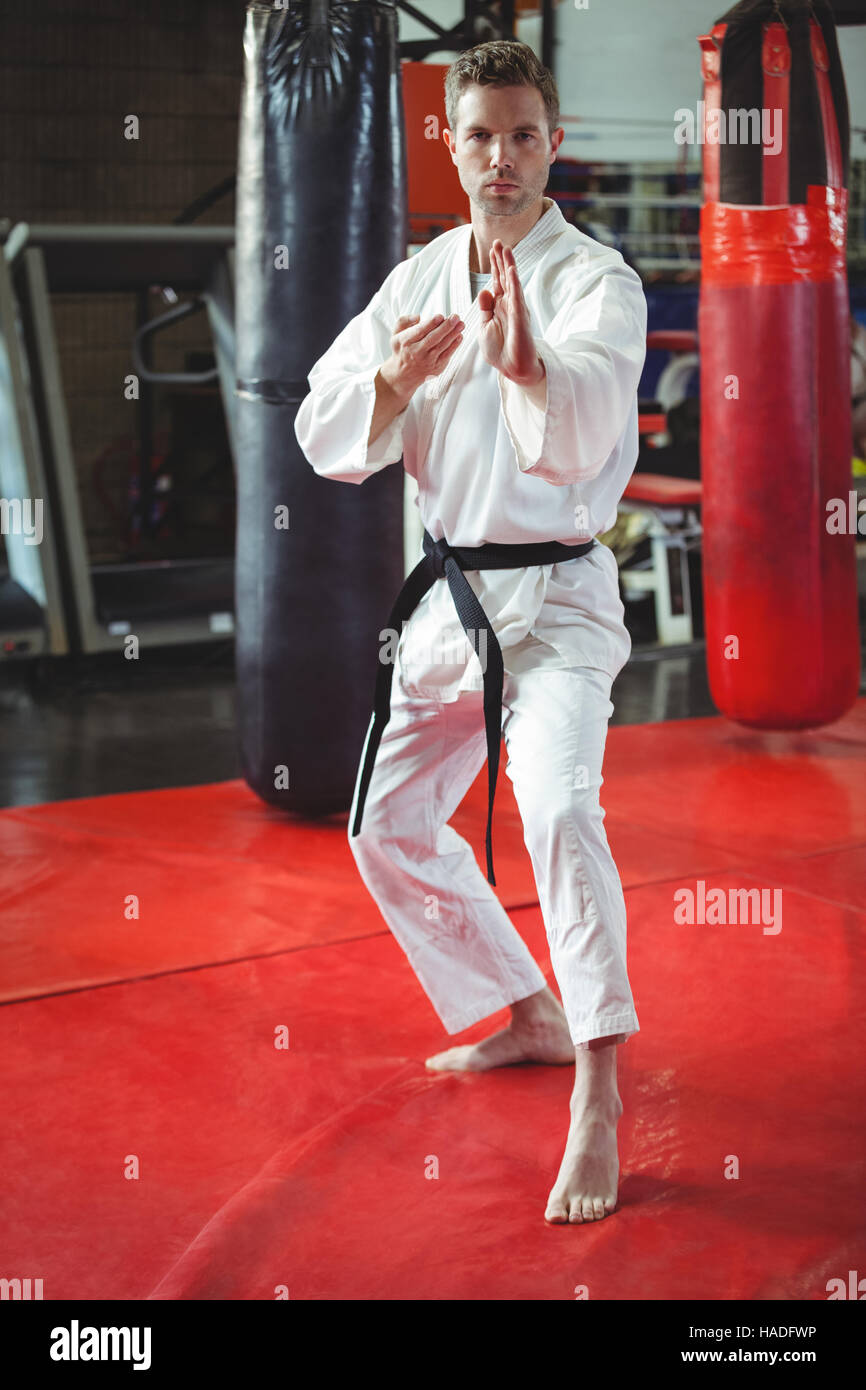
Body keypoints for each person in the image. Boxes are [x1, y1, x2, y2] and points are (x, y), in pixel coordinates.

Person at [294, 39, 647, 1224]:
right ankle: (526, 1012)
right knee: (384, 827)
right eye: (479, 135)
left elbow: (590, 414)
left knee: (554, 804)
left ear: (553, 141)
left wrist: (528, 363)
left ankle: (597, 1082)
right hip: (447, 605)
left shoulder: (596, 279)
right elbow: (324, 422)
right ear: (447, 143)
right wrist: (391, 386)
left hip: (555, 604)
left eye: (522, 134)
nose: (500, 157)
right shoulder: (415, 278)